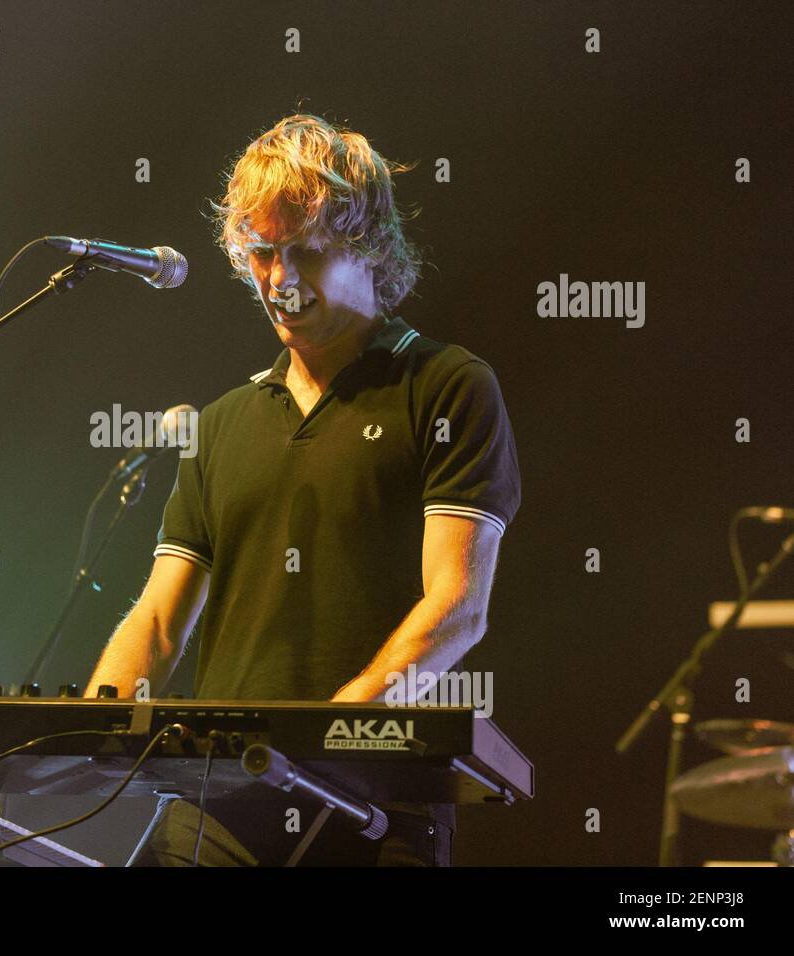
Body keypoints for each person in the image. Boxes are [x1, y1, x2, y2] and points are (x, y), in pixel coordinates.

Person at [85, 114, 521, 866]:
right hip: (216, 812)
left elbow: (458, 605)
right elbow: (157, 622)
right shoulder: (220, 426)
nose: (279, 280)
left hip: (376, 808)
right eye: (260, 253)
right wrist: (84, 732)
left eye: (306, 253)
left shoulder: (448, 387)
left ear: (370, 248)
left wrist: (331, 736)